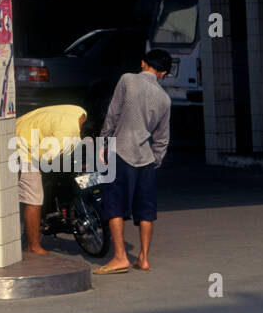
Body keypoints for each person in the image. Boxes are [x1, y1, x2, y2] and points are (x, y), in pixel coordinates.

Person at [94, 48, 173, 275]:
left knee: (114, 205)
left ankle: (120, 258)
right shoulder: (165, 99)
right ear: (164, 73)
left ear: (143, 63)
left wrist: (103, 142)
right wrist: (154, 159)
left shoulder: (127, 80)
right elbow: (162, 137)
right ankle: (144, 258)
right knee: (146, 210)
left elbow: (113, 114)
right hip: (145, 159)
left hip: (121, 152)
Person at [14, 104, 88, 255]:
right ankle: (33, 246)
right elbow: (41, 158)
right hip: (22, 144)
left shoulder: (78, 111)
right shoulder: (68, 135)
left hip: (21, 126)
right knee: (34, 198)